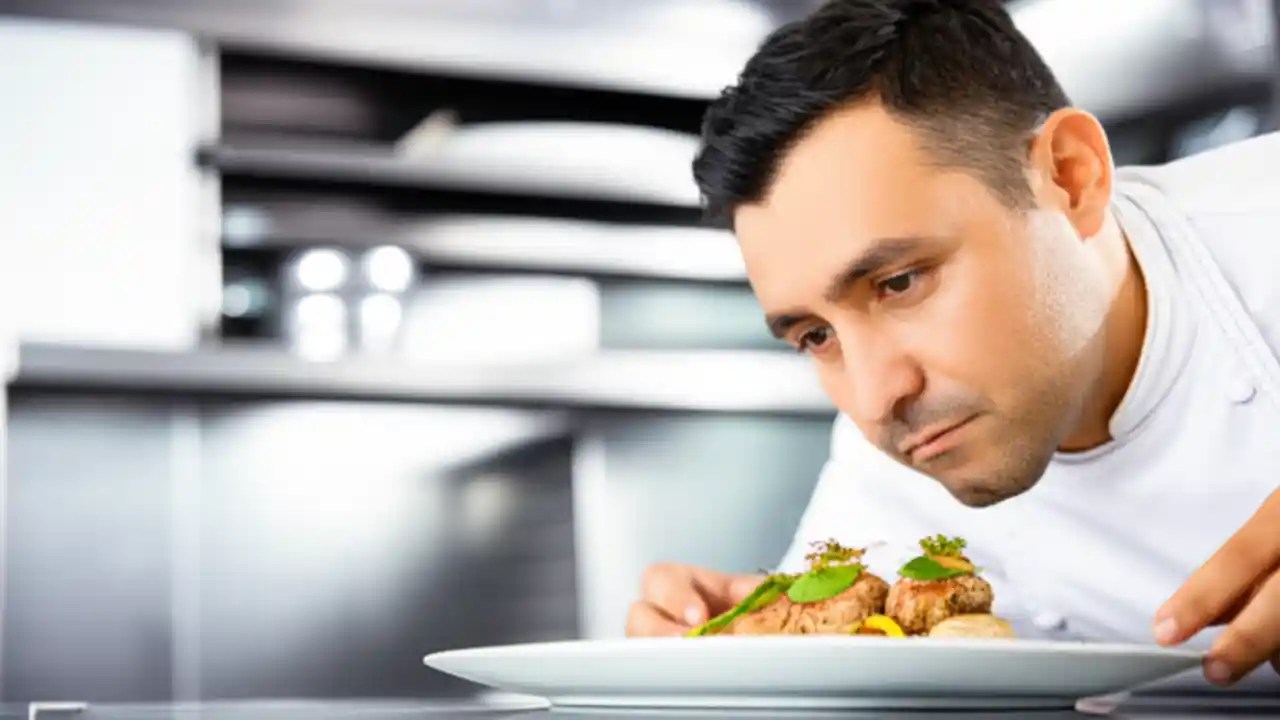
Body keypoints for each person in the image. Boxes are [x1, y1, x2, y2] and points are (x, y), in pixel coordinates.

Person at [625, 0, 1280, 689]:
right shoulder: (892, 466)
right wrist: (731, 651)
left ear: (1070, 176)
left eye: (901, 282)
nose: (877, 397)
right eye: (816, 336)